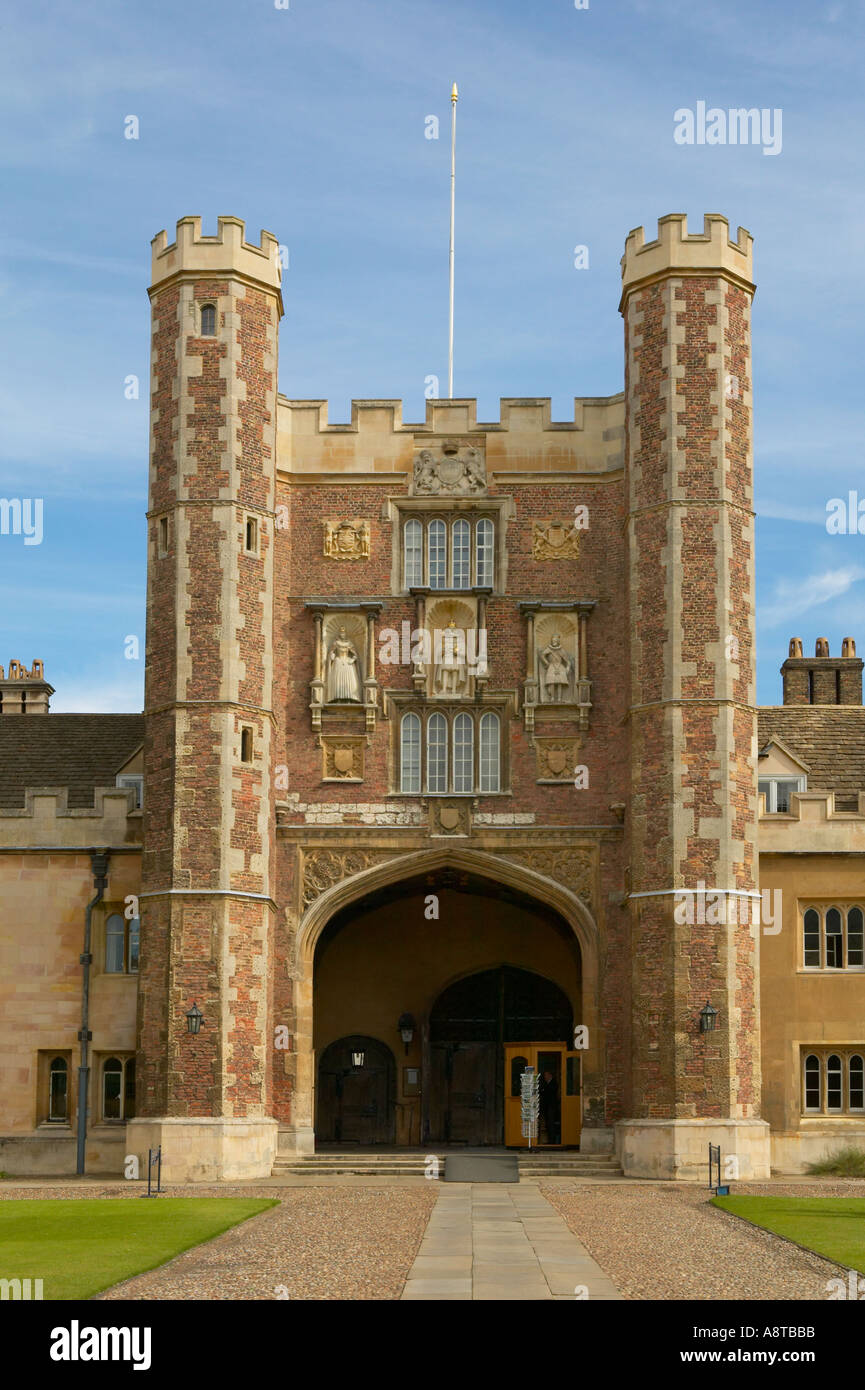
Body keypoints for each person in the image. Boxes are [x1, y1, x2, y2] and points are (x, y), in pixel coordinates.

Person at [539, 1068, 560, 1145]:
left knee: (551, 1123)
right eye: (544, 1075)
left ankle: (552, 1141)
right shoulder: (545, 1083)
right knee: (548, 1123)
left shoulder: (553, 1083)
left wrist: (544, 1090)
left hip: (552, 1106)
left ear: (550, 1075)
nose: (545, 1077)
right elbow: (542, 1091)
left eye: (546, 1075)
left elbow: (549, 1092)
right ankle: (549, 1140)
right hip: (546, 1106)